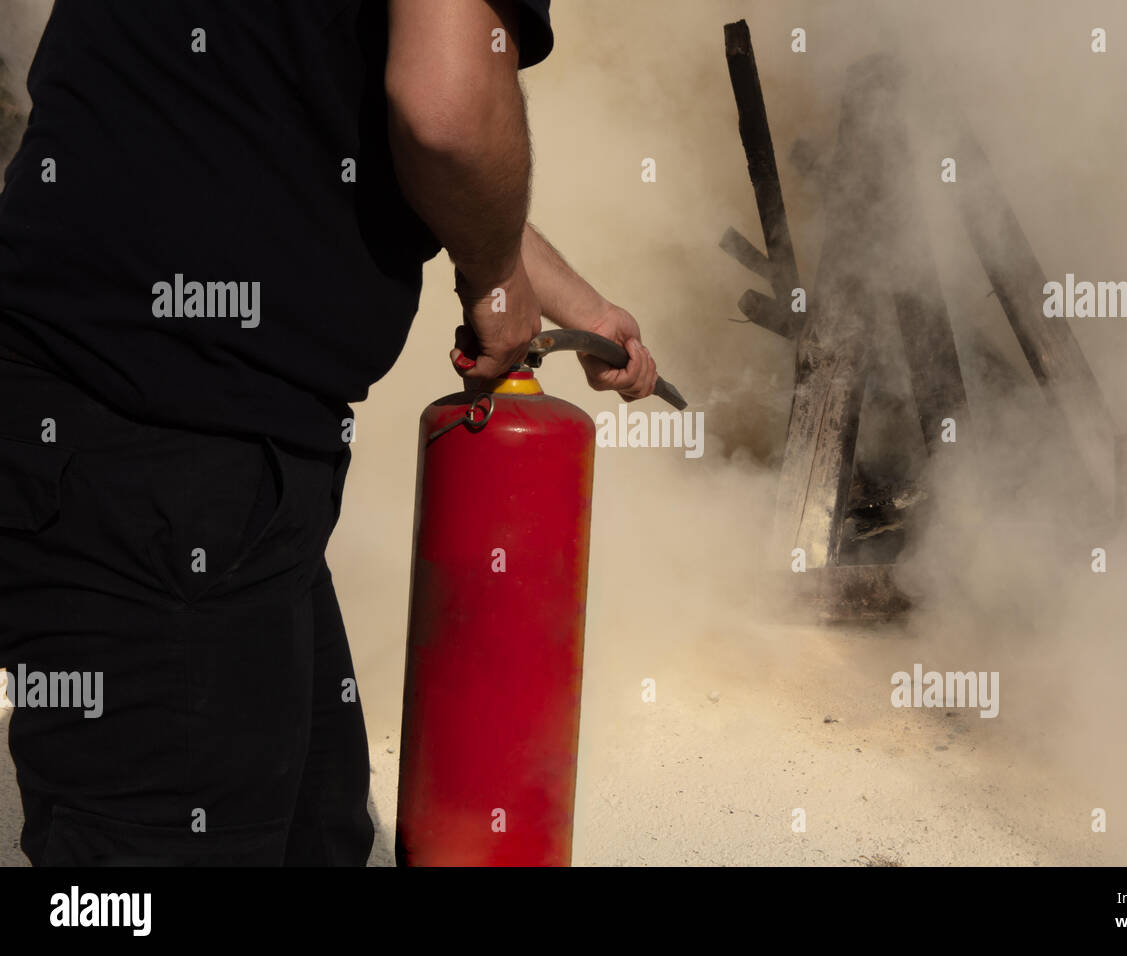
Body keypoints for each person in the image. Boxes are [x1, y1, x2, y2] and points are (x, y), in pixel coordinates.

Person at [0, 0, 657, 866]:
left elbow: (352, 120)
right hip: (164, 455)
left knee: (316, 833)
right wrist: (493, 277)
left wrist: (571, 301)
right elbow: (446, 118)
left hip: (166, 452)